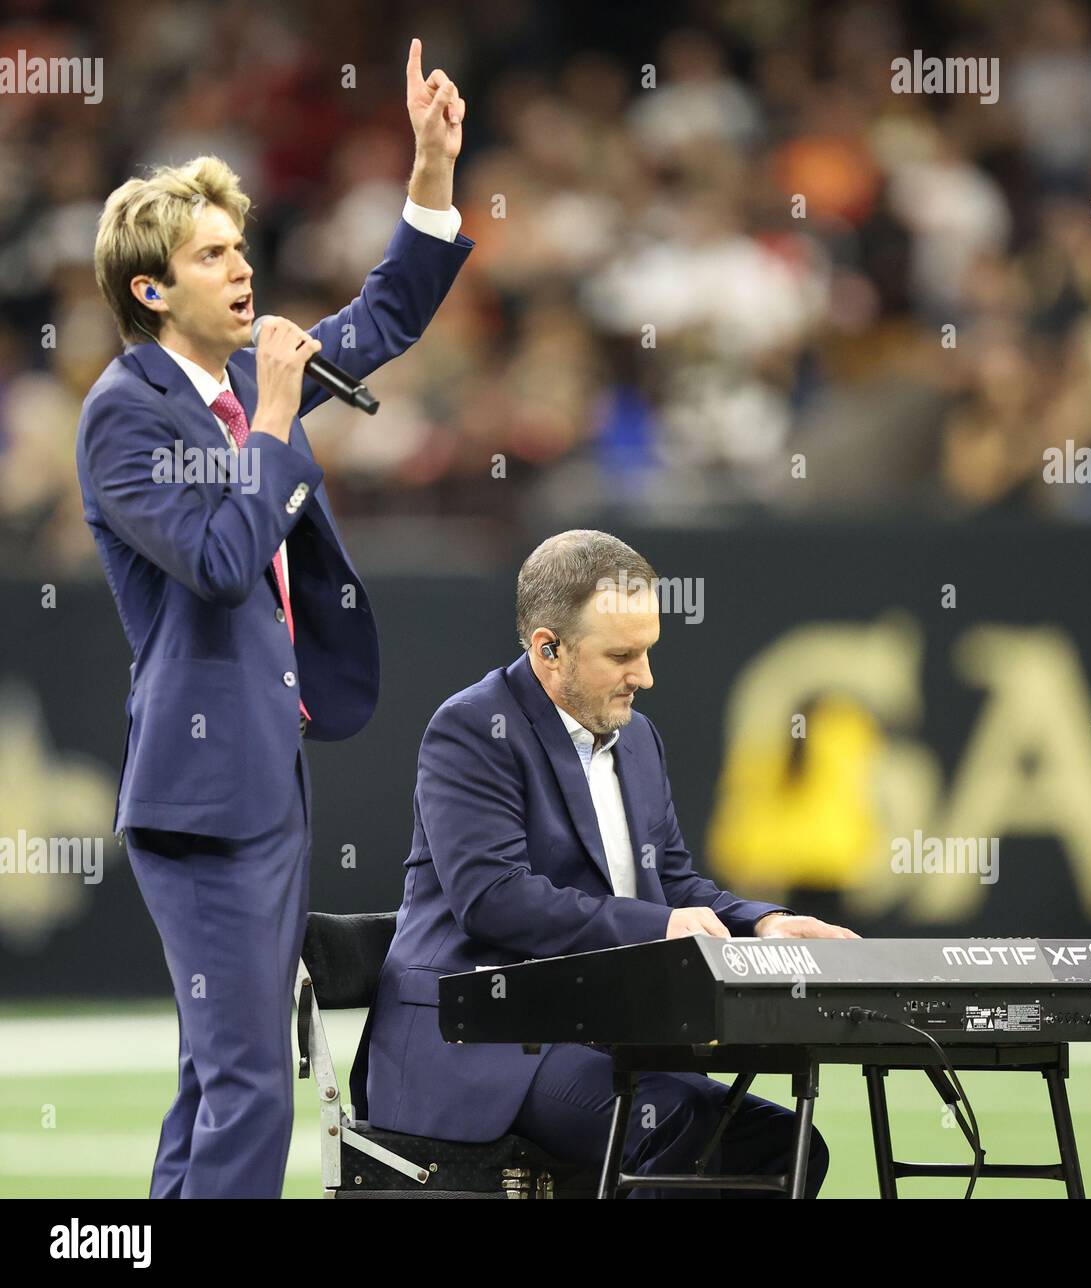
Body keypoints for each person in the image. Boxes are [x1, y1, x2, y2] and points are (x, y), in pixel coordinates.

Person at [75, 41, 470, 1199]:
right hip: (200, 800)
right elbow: (215, 557)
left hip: (259, 774)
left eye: (240, 245)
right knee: (252, 1077)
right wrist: (281, 422)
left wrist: (432, 169)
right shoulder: (125, 417)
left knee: (217, 1075)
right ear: (152, 289)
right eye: (210, 254)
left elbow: (386, 313)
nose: (241, 266)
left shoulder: (245, 378)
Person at [360, 529, 857, 1197]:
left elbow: (675, 883)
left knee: (786, 1146)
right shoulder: (475, 727)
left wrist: (761, 924)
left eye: (648, 650)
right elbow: (495, 897)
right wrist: (659, 929)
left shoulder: (639, 739)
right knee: (673, 1123)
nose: (645, 676)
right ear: (548, 648)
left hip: (594, 1034)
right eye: (622, 654)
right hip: (480, 1043)